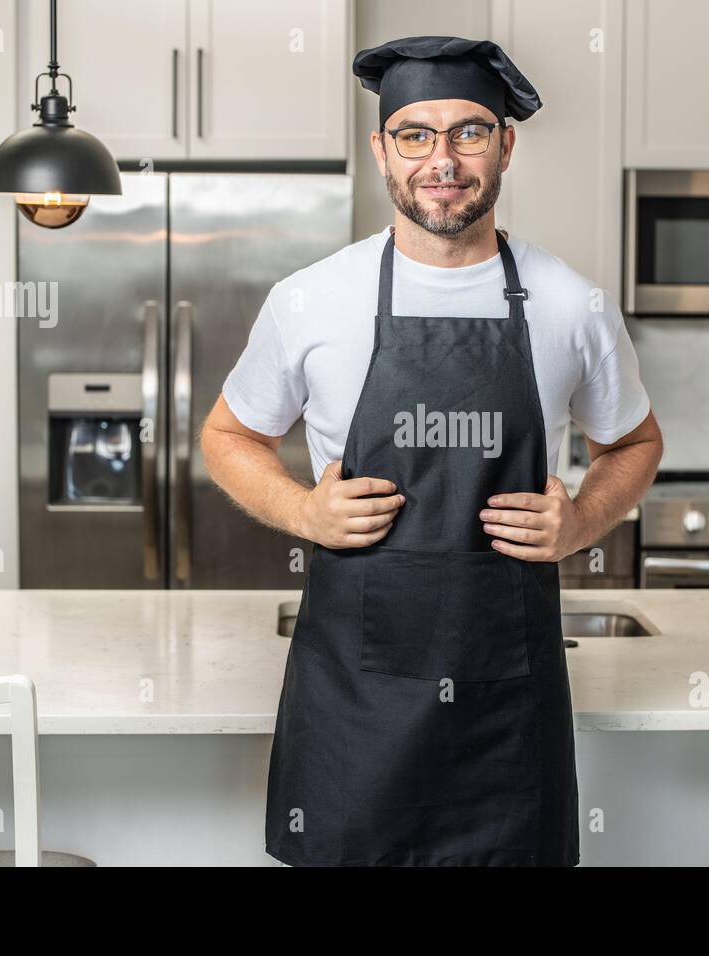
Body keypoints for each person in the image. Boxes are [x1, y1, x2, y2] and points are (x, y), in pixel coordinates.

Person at [200, 35, 662, 866]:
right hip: (355, 708)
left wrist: (583, 518)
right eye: (416, 134)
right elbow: (229, 435)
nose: (441, 160)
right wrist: (304, 508)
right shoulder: (311, 299)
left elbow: (633, 441)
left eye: (469, 133)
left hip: (506, 720)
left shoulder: (569, 303)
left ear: (506, 143)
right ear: (382, 149)